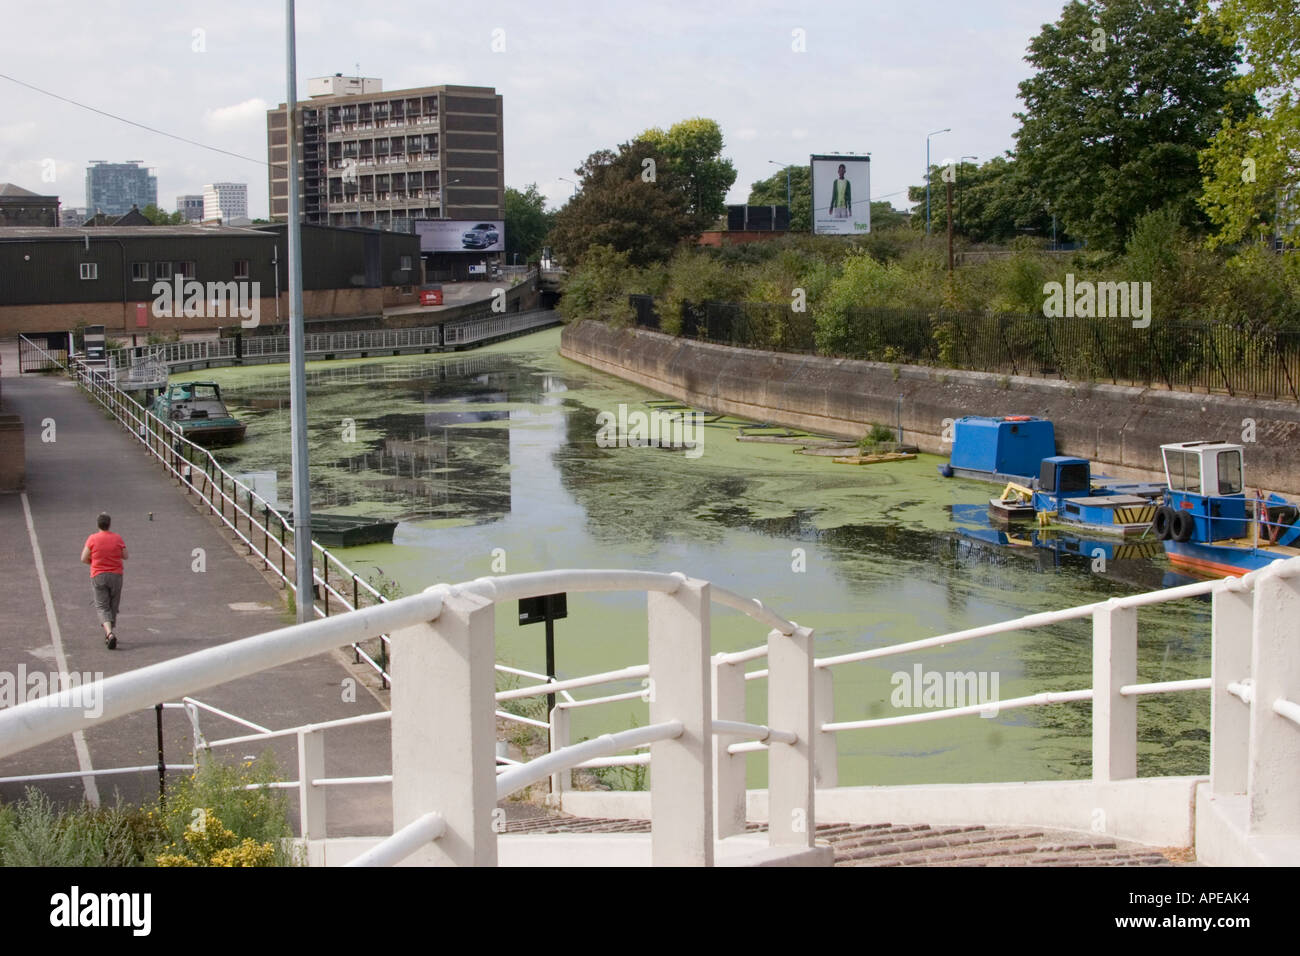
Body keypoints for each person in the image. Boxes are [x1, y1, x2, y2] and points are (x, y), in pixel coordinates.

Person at [81, 513, 127, 649]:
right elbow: (125, 555)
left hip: (98, 574)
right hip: (116, 575)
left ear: (98, 524)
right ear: (109, 524)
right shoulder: (117, 538)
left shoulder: (92, 539)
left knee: (102, 605)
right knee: (113, 604)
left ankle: (109, 633)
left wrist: (94, 562)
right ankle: (110, 631)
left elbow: (83, 558)